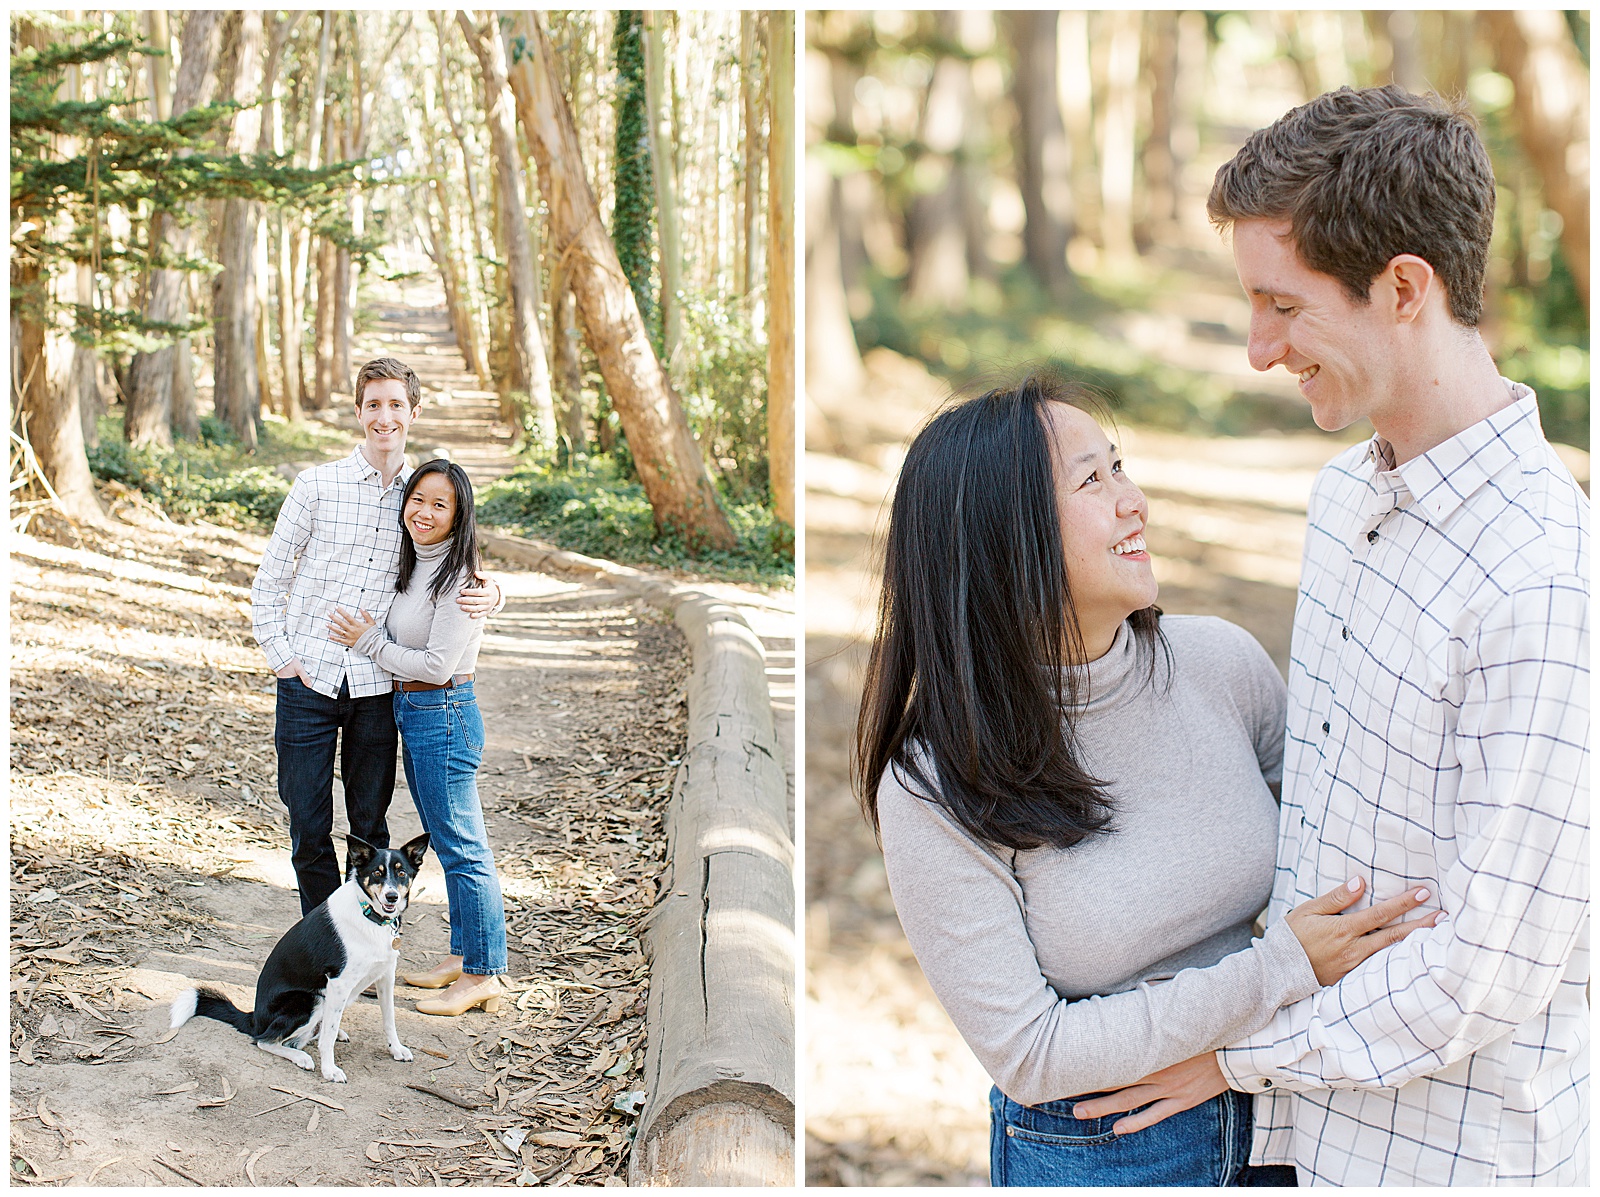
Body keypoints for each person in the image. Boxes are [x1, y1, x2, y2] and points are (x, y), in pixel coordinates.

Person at [1069, 86, 1589, 1186]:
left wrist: (1237, 1052)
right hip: (1296, 1134)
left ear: (1404, 287)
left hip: (1451, 1155)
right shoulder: (1340, 503)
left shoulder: (1542, 578)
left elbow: (1488, 968)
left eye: (1284, 307)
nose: (1258, 349)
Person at [856, 373, 1440, 1187]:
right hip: (1107, 1149)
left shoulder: (1219, 664)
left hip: (1289, 1110)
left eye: (1119, 467)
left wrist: (1238, 1050)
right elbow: (1031, 1051)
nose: (1133, 501)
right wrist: (1274, 973)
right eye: (1092, 480)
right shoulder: (935, 784)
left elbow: (1344, 841)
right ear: (1003, 538)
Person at [251, 357, 499, 916]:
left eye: (395, 405)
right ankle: (324, 942)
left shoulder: (424, 494)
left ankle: (369, 937)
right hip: (306, 681)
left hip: (377, 690)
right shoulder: (317, 485)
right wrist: (282, 659)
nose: (384, 417)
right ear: (359, 412)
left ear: (414, 411)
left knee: (368, 826)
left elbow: (463, 562)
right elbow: (270, 580)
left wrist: (495, 592)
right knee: (309, 828)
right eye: (373, 405)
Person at [328, 459, 506, 1018]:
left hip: (443, 709)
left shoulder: (458, 579)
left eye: (440, 505)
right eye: (418, 500)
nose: (424, 513)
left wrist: (368, 642)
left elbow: (435, 663)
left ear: (459, 517)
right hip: (420, 710)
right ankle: (465, 954)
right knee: (451, 838)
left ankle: (483, 973)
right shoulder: (422, 563)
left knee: (462, 845)